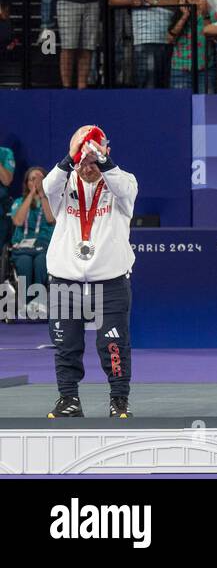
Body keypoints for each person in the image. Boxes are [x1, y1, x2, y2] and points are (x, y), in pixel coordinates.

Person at [43, 126, 139, 420]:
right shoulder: (64, 182)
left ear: (106, 154)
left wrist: (102, 160)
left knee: (113, 343)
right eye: (83, 161)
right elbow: (47, 186)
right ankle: (68, 398)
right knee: (65, 344)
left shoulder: (122, 182)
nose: (88, 168)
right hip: (65, 278)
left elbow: (124, 188)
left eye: (93, 161)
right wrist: (72, 158)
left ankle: (119, 401)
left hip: (109, 280)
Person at [10, 166, 56, 317]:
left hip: (43, 245)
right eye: (32, 179)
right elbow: (17, 221)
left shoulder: (52, 201)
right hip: (22, 246)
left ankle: (40, 301)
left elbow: (51, 219)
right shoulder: (19, 201)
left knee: (41, 262)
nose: (35, 182)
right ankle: (26, 302)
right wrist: (31, 195)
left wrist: (42, 194)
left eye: (39, 179)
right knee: (24, 262)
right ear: (27, 183)